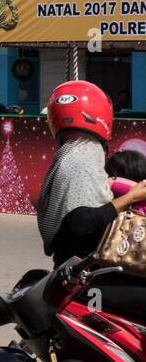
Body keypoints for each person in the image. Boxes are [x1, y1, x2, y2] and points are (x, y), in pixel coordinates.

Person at [36, 80, 146, 267]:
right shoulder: (84, 154)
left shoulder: (71, 152)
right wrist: (130, 197)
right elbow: (81, 224)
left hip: (73, 265)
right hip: (85, 270)